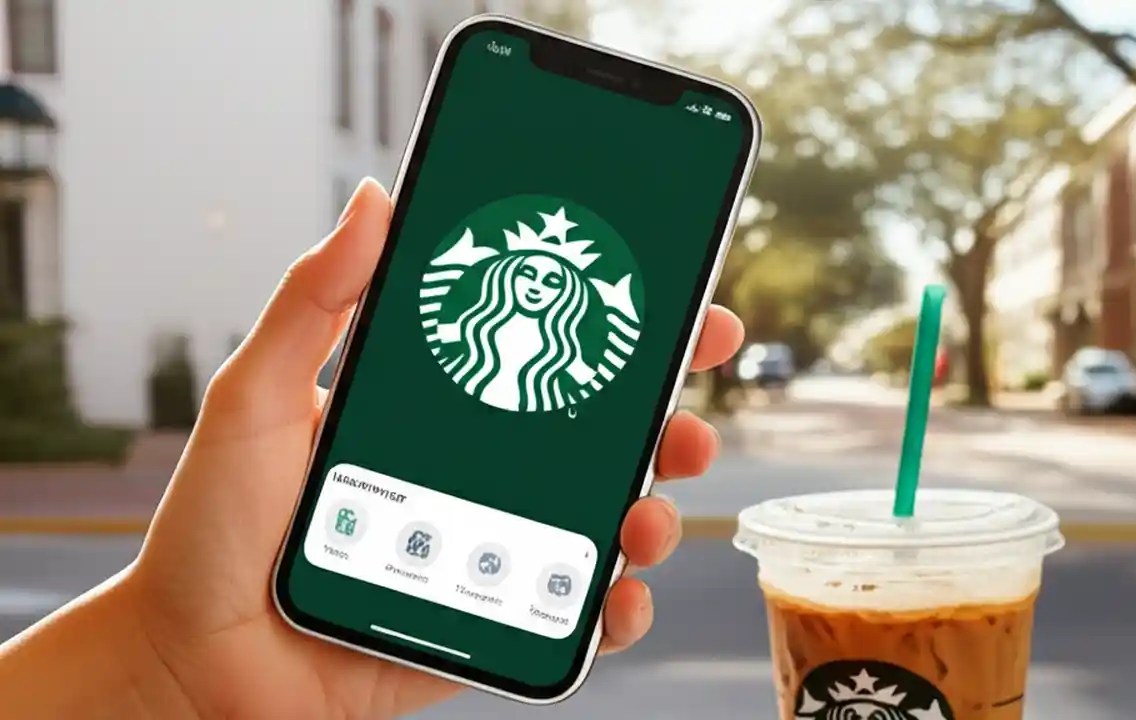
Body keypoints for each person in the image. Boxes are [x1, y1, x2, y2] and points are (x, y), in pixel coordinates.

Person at [0, 179, 745, 718]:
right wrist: (170, 664)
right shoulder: (470, 340)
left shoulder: (565, 367)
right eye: (528, 271)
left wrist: (172, 670)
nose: (541, 286)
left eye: (558, 280)